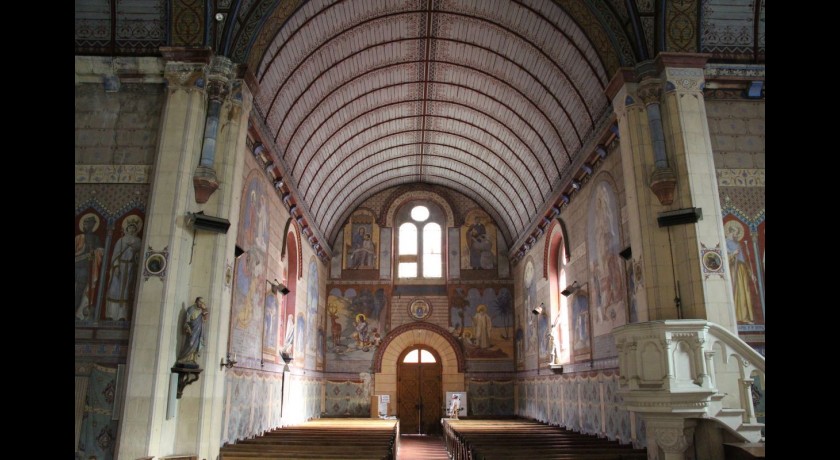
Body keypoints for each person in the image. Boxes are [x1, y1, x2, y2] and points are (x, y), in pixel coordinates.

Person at [105, 217, 143, 321]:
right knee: (115, 290)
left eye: (134, 228)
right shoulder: (121, 241)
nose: (132, 230)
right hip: (120, 267)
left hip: (130, 268)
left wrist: (135, 254)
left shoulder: (138, 241)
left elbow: (139, 256)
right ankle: (111, 314)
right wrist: (116, 266)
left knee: (126, 291)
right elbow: (115, 255)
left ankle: (122, 315)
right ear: (127, 228)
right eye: (130, 227)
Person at [726, 222, 756, 323]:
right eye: (735, 233)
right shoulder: (725, 242)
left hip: (742, 269)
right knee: (736, 292)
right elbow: (723, 259)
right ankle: (736, 316)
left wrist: (751, 273)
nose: (737, 235)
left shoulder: (738, 244)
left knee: (745, 292)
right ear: (730, 232)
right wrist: (732, 254)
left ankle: (745, 317)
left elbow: (744, 260)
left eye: (738, 233)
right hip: (733, 269)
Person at [75, 214, 104, 320]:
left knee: (79, 291)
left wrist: (95, 253)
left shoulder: (95, 238)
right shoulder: (78, 238)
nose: (87, 225)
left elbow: (99, 252)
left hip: (85, 269)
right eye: (85, 223)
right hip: (76, 266)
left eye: (89, 223)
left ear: (93, 225)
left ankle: (77, 312)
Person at [176, 297, 209, 367]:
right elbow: (187, 320)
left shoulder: (201, 310)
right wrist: (188, 328)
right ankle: (183, 358)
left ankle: (192, 359)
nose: (201, 304)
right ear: (196, 301)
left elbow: (205, 319)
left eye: (202, 302)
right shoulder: (191, 309)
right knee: (190, 343)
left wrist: (204, 309)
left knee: (196, 345)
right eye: (200, 302)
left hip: (199, 331)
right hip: (192, 330)